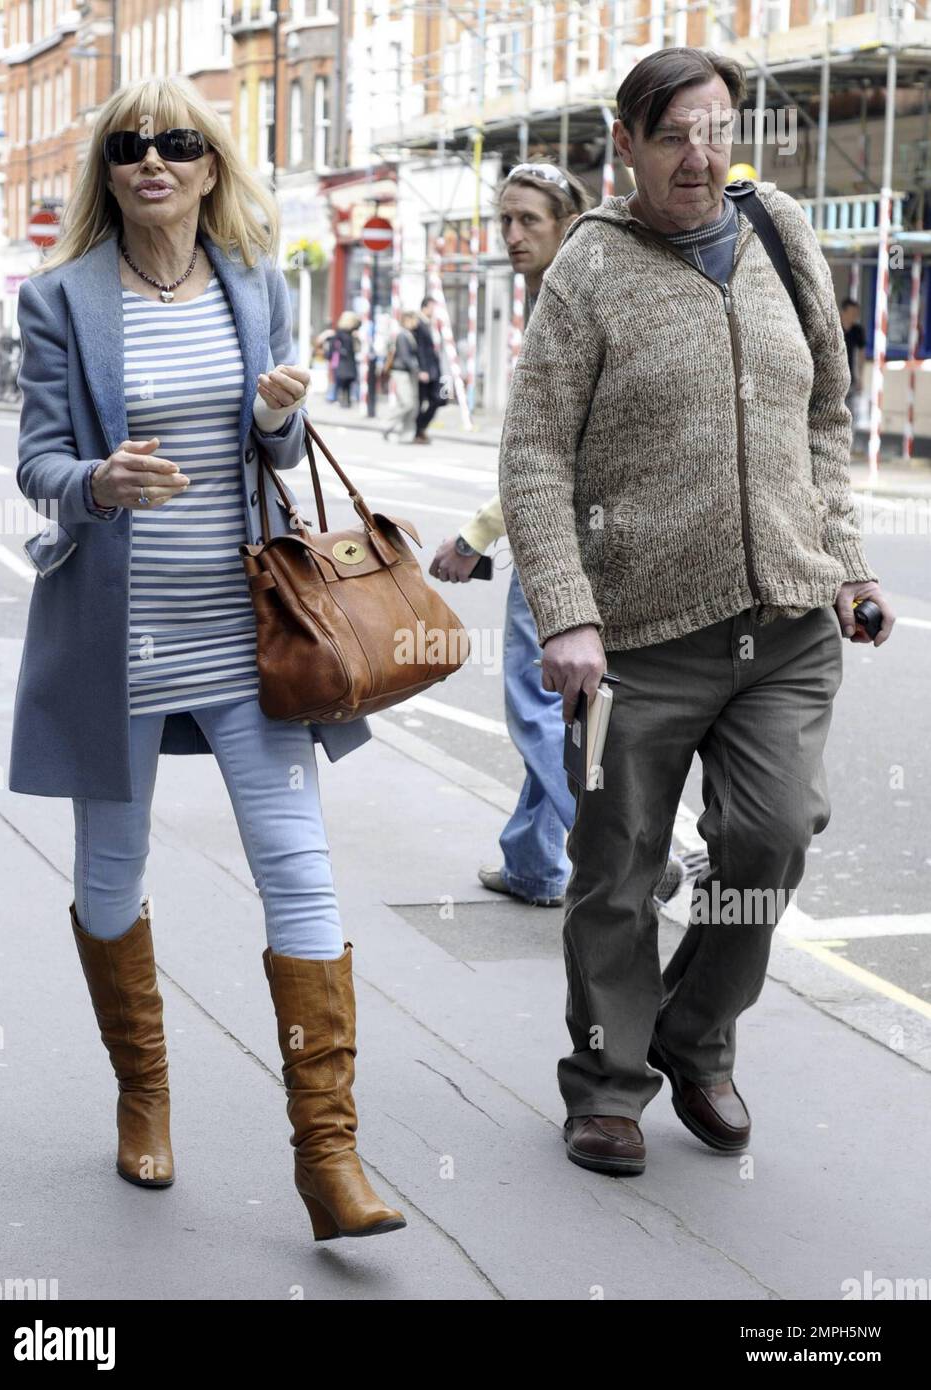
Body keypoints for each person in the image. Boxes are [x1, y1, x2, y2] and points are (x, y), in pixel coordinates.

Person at [8, 74, 404, 1242]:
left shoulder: (257, 284)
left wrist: (280, 412)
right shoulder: (58, 299)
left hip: (250, 639)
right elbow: (37, 460)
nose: (153, 160)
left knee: (301, 872)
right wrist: (96, 480)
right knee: (112, 875)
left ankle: (327, 1155)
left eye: (178, 142)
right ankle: (144, 1094)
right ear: (109, 171)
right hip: (115, 645)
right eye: (130, 144)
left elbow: (273, 448)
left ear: (212, 165)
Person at [499, 46, 894, 1178]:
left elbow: (825, 409)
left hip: (785, 620)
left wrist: (848, 560)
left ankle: (694, 1030)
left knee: (767, 841)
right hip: (637, 636)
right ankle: (608, 1087)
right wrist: (565, 612)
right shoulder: (590, 269)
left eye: (718, 129)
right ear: (624, 144)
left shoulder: (777, 231)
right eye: (673, 133)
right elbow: (531, 455)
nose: (700, 154)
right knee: (616, 866)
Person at [430, 162, 695, 910]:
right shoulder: (602, 285)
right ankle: (532, 860)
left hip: (563, 544)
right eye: (504, 220)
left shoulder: (569, 301)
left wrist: (476, 535)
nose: (511, 235)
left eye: (528, 221)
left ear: (566, 222)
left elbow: (548, 452)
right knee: (569, 707)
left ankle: (636, 851)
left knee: (537, 706)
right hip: (610, 536)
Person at [382, 310, 421, 443]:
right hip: (402, 372)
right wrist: (417, 370)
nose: (417, 322)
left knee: (412, 404)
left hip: (409, 373)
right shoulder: (402, 335)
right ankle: (388, 424)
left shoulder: (410, 334)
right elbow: (405, 356)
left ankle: (407, 434)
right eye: (414, 319)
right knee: (407, 403)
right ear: (407, 320)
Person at [413, 296, 442, 444]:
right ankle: (418, 431)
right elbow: (420, 349)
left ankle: (421, 429)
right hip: (426, 371)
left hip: (433, 370)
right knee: (421, 402)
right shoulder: (419, 324)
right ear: (425, 307)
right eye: (432, 307)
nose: (434, 311)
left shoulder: (431, 324)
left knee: (438, 399)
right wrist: (422, 369)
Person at [840, 297, 867, 455]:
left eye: (856, 313)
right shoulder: (835, 326)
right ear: (844, 312)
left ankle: (847, 444)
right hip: (835, 378)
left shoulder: (857, 331)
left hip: (851, 378)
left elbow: (862, 354)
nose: (854, 316)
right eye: (851, 312)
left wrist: (861, 377)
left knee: (851, 412)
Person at [327, 310, 360, 407]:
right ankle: (340, 399)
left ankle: (343, 400)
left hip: (344, 362)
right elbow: (334, 348)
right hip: (343, 362)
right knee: (342, 382)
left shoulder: (347, 333)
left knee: (344, 382)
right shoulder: (343, 334)